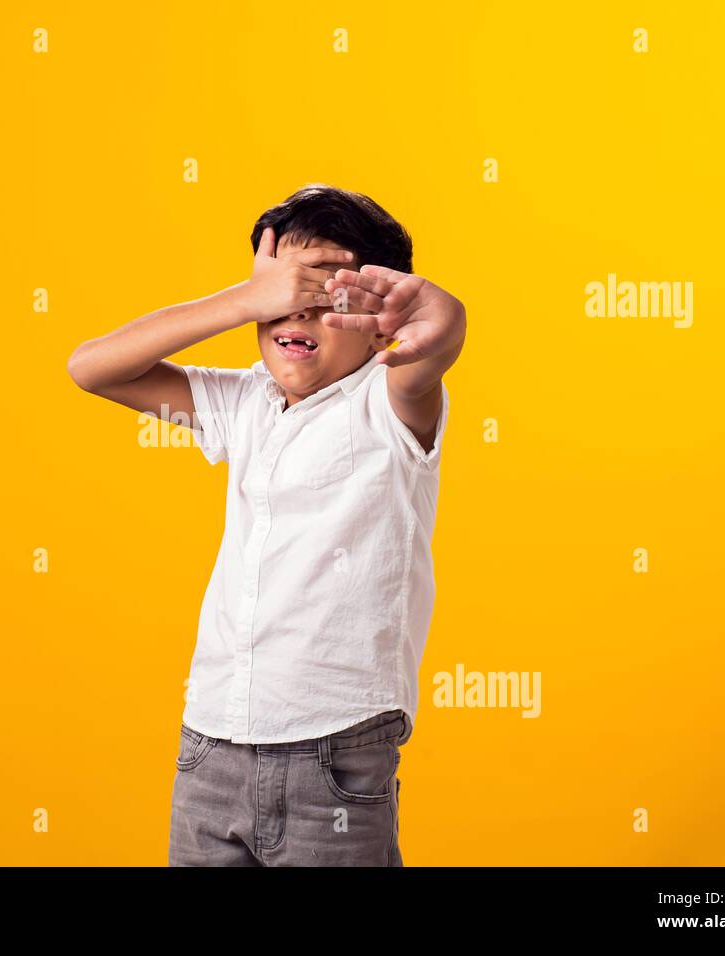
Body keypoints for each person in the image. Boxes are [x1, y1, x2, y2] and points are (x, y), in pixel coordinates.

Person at [67, 184, 466, 865]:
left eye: (326, 299)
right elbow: (91, 368)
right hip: (210, 748)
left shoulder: (389, 404)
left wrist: (439, 318)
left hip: (334, 758)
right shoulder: (244, 401)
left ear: (380, 321)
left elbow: (434, 347)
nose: (298, 313)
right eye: (284, 295)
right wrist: (244, 299)